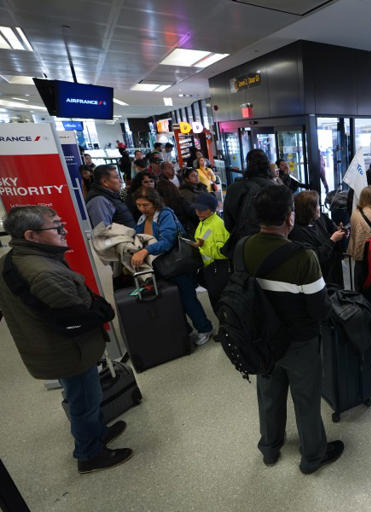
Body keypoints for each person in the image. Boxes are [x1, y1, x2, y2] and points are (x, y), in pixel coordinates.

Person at [0, 206, 133, 474]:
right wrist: (101, 312)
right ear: (31, 235)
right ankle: (89, 454)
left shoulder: (15, 258)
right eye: (56, 227)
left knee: (85, 397)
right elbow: (75, 316)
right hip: (68, 351)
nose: (64, 231)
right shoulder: (43, 272)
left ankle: (96, 434)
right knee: (84, 401)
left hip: (52, 346)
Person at [243, 184, 344, 474]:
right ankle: (312, 455)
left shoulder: (243, 247)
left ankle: (270, 448)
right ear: (289, 218)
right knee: (306, 399)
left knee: (269, 395)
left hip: (261, 340)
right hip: (299, 343)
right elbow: (320, 308)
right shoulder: (302, 257)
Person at [130, 187, 214, 346]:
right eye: (139, 205)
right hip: (161, 266)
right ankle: (185, 330)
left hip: (177, 264)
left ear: (154, 202)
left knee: (188, 298)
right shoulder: (142, 219)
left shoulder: (165, 215)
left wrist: (146, 250)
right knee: (173, 300)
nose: (142, 209)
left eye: (145, 205)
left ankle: (204, 328)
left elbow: (167, 242)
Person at [289, 190, 347, 286]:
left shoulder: (321, 218)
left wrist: (341, 231)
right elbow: (315, 257)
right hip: (319, 277)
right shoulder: (298, 232)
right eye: (317, 206)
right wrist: (332, 240)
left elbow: (334, 229)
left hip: (333, 271)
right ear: (309, 209)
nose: (320, 208)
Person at [222, 149, 276, 251]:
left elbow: (228, 223)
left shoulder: (233, 188)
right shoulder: (275, 188)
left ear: (247, 164)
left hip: (242, 244)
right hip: (271, 244)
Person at [189, 193, 230, 308]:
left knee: (219, 303)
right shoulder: (204, 222)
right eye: (196, 208)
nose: (198, 212)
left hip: (218, 270)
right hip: (209, 269)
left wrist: (202, 245)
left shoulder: (217, 225)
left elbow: (223, 252)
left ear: (212, 209)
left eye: (202, 209)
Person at [157, 164, 197, 240]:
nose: (172, 168)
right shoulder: (163, 184)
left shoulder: (179, 178)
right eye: (169, 167)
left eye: (172, 167)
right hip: (186, 229)